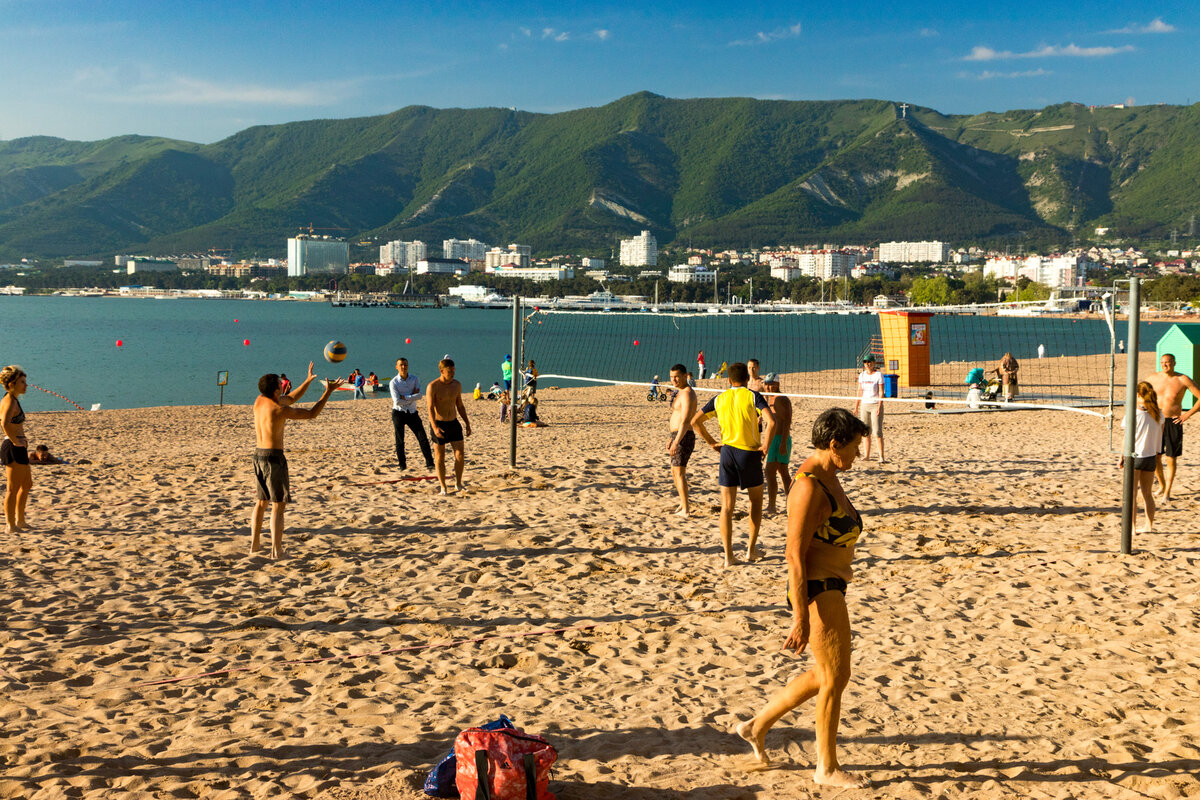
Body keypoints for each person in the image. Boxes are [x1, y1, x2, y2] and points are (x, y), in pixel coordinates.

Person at [736, 408, 872, 788]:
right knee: (834, 678)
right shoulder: (809, 486)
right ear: (834, 444)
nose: (858, 455)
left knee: (823, 674)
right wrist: (800, 616)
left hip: (832, 585)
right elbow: (793, 555)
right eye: (855, 447)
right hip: (815, 588)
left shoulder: (830, 476)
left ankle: (755, 725)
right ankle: (826, 769)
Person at [251, 363, 342, 559]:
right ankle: (276, 551)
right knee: (278, 505)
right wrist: (328, 392)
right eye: (281, 385)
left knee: (261, 503)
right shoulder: (278, 410)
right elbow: (311, 414)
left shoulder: (259, 401)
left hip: (258, 456)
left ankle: (255, 546)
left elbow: (291, 398)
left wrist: (307, 381)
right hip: (274, 458)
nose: (284, 386)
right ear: (276, 391)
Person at [692, 362, 776, 567]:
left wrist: (712, 443)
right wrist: (765, 446)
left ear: (728, 380)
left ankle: (728, 556)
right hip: (749, 453)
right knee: (755, 503)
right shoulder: (753, 396)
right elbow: (772, 421)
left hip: (727, 453)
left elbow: (695, 422)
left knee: (727, 508)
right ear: (747, 380)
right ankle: (751, 551)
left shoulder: (719, 398)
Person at [1146, 353, 1200, 501]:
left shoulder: (1183, 379)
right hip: (1156, 420)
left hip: (1173, 422)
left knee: (1171, 458)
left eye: (1168, 362)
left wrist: (1186, 415)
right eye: (1162, 362)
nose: (1165, 365)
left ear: (1174, 363)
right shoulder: (1152, 378)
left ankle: (1167, 492)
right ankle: (1162, 485)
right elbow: (1142, 397)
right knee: (1155, 457)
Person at [1121, 381, 1164, 533]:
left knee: (1131, 495)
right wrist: (1158, 456)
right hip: (1151, 457)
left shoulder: (1133, 414)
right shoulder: (1159, 414)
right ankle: (1148, 526)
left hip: (1135, 456)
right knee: (1147, 494)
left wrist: (1121, 457)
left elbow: (1127, 440)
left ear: (1138, 395)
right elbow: (1160, 438)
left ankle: (1131, 528)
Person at [427, 358, 472, 495]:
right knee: (440, 457)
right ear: (442, 371)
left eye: (453, 370)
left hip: (453, 422)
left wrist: (467, 423)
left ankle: (458, 483)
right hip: (439, 423)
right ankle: (443, 487)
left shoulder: (457, 385)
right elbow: (429, 408)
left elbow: (460, 405)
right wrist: (434, 427)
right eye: (449, 371)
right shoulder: (433, 386)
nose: (452, 373)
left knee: (460, 454)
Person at [1, 365, 33, 534]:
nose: (26, 385)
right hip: (12, 448)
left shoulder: (14, 399)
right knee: (12, 489)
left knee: (27, 484)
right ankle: (10, 525)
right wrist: (15, 441)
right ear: (12, 383)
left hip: (19, 447)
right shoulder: (9, 401)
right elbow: (4, 423)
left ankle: (20, 520)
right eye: (22, 382)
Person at [390, 357, 435, 473]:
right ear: (397, 367)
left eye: (405, 364)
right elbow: (397, 401)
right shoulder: (393, 382)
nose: (403, 367)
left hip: (412, 413)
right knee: (400, 441)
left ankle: (430, 463)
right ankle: (402, 465)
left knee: (423, 438)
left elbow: (420, 396)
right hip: (398, 413)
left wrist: (405, 397)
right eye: (401, 365)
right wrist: (411, 397)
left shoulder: (414, 379)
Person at [667, 363, 699, 517]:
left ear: (685, 376)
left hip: (684, 436)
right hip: (677, 435)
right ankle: (682, 503)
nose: (674, 380)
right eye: (672, 377)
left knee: (679, 473)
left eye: (677, 377)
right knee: (674, 472)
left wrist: (676, 441)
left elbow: (686, 420)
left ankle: (686, 509)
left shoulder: (687, 393)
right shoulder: (679, 392)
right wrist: (671, 438)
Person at [762, 373, 793, 515]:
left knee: (773, 472)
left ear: (777, 384)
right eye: (766, 384)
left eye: (770, 384)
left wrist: (782, 443)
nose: (768, 387)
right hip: (775, 439)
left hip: (780, 439)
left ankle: (774, 506)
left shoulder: (781, 399)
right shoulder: (770, 398)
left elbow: (787, 422)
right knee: (780, 472)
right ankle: (788, 505)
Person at [853, 355, 885, 463]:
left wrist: (880, 406)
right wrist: (856, 406)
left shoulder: (878, 375)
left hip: (875, 404)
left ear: (874, 363)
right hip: (864, 405)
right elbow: (859, 391)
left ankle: (881, 456)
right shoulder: (862, 375)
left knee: (877, 432)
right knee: (866, 432)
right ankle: (867, 455)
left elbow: (881, 392)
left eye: (869, 362)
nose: (867, 364)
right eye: (865, 362)